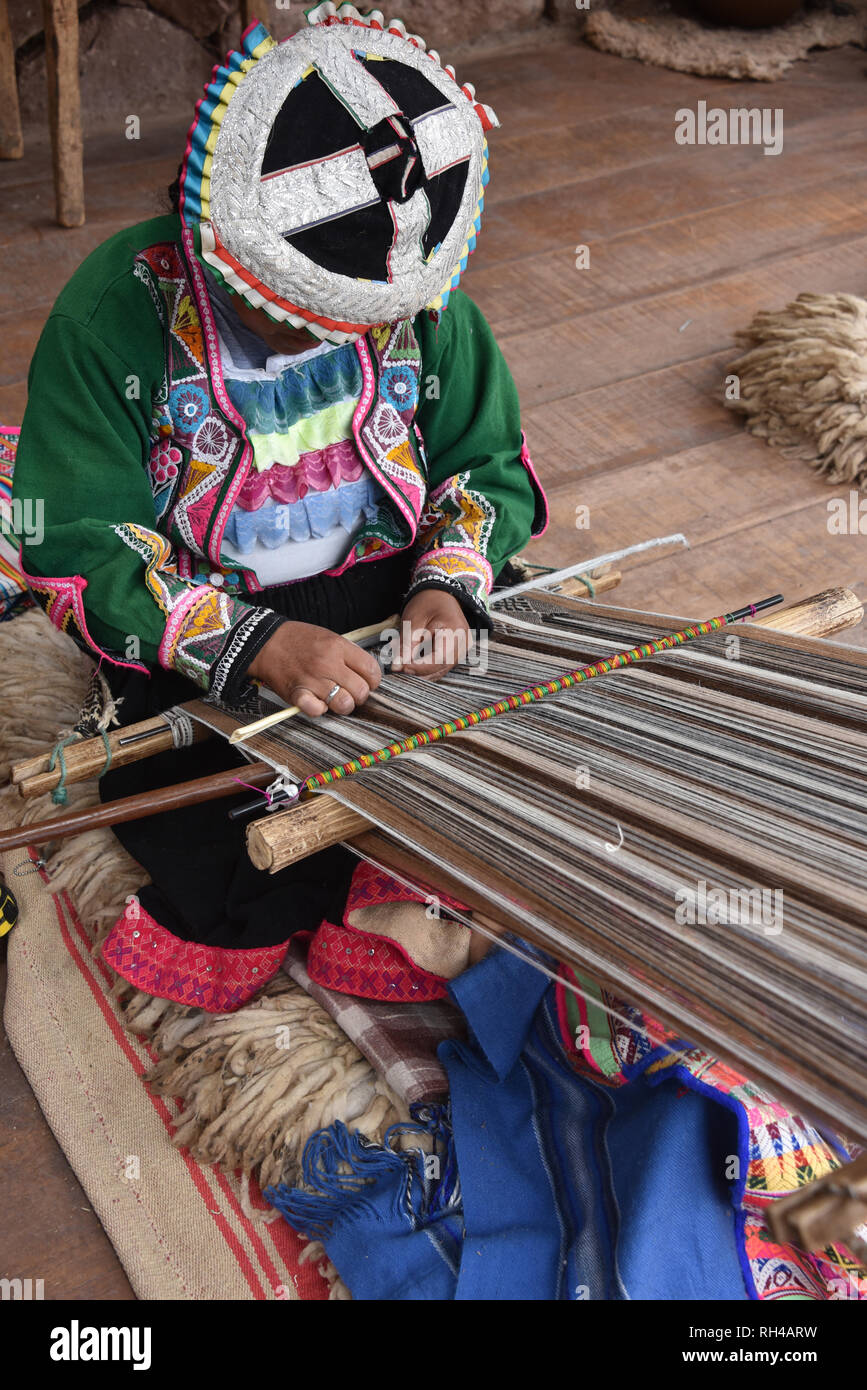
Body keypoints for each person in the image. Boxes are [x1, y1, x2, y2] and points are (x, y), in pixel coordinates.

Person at [11, 5, 546, 1010]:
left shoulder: (413, 293)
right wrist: (257, 645)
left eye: (356, 325)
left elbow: (484, 463)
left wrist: (446, 584)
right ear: (214, 236)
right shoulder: (114, 311)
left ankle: (405, 858)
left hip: (392, 599)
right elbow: (77, 541)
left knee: (535, 725)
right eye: (296, 316)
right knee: (217, 831)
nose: (324, 343)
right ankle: (353, 876)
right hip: (213, 627)